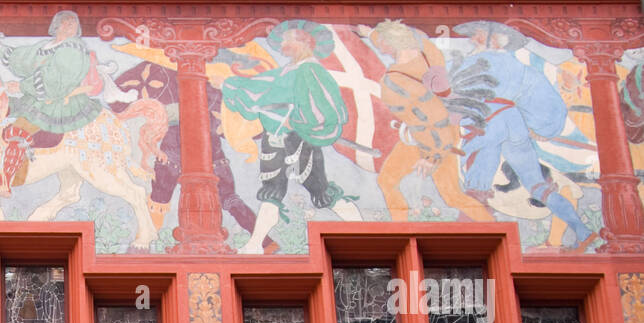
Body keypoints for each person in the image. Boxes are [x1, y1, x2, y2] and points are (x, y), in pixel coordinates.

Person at [214, 20, 362, 253]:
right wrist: (229, 84)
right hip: (275, 140)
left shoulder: (309, 70)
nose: (282, 45)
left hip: (297, 139)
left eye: (287, 40)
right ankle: (255, 244)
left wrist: (300, 122)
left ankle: (362, 230)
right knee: (272, 191)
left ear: (304, 42)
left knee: (319, 189)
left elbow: (325, 106)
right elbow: (260, 87)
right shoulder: (288, 71)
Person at [449, 21, 596, 251]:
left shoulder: (473, 63)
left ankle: (463, 242)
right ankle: (582, 231)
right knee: (537, 185)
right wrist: (543, 129)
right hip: (513, 119)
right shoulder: (520, 68)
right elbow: (547, 100)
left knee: (474, 183)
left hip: (485, 121)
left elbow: (452, 97)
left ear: (494, 39)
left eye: (478, 35)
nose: (473, 39)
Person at [358, 21, 488, 223]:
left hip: (428, 139)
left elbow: (432, 117)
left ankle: (400, 229)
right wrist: (372, 33)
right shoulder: (428, 52)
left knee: (388, 181)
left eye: (382, 42)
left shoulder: (395, 82)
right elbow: (411, 36)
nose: (380, 46)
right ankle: (490, 223)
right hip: (448, 131)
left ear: (390, 42)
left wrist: (431, 156)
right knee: (453, 195)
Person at [0, 10, 101, 196]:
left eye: (73, 23)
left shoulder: (74, 48)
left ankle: (5, 183)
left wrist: (22, 86)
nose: (71, 25)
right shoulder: (46, 45)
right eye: (66, 22)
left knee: (19, 130)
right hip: (37, 98)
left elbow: (56, 81)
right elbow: (23, 59)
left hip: (58, 104)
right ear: (57, 25)